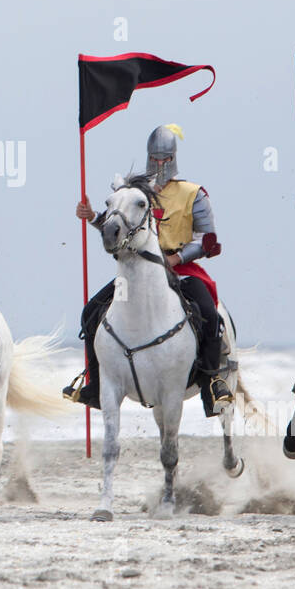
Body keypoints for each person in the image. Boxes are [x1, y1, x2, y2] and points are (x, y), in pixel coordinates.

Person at [66, 124, 232, 416]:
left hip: (182, 270)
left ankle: (212, 381)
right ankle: (92, 383)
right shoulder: (133, 192)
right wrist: (92, 216)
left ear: (174, 158)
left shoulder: (193, 194)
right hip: (136, 271)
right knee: (92, 311)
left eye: (165, 159)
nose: (160, 164)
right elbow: (115, 227)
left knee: (208, 313)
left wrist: (177, 258)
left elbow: (207, 239)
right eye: (155, 159)